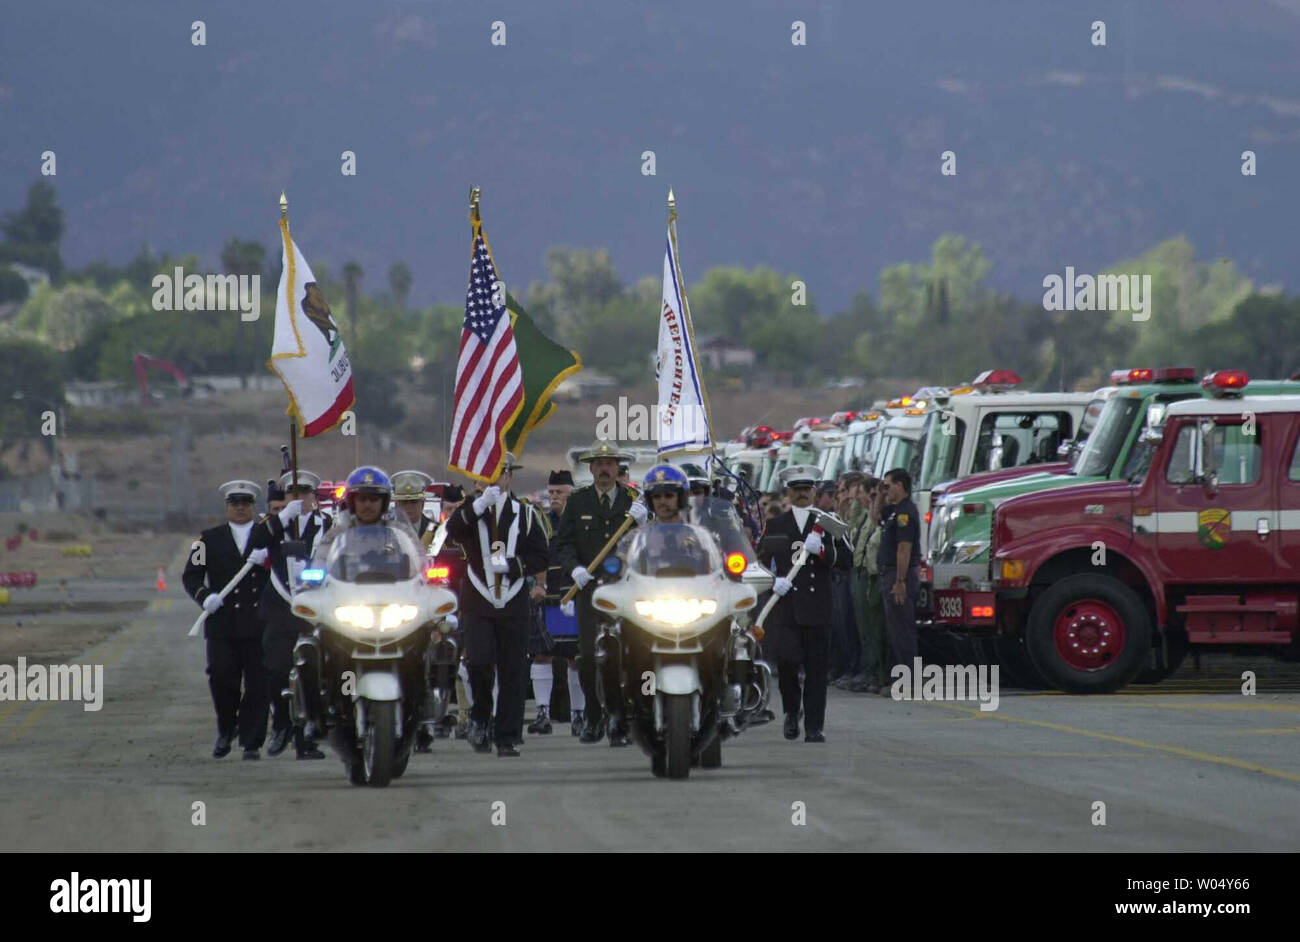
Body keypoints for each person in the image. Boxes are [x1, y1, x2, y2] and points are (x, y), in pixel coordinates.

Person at [445, 453, 549, 757]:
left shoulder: (526, 514)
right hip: (478, 599)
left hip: (514, 599)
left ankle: (507, 735)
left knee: (513, 670)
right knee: (477, 661)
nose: (493, 481)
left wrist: (514, 565)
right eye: (485, 476)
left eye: (499, 474)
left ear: (508, 477)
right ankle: (480, 719)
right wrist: (479, 505)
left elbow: (542, 556)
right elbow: (453, 532)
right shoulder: (469, 510)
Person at [553, 440, 649, 744]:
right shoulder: (578, 502)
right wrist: (575, 569)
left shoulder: (634, 503)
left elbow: (651, 544)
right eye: (599, 464)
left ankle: (622, 719)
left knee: (627, 657)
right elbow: (563, 543)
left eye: (611, 464)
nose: (605, 469)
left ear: (618, 468)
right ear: (591, 468)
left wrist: (646, 522)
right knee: (591, 657)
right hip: (590, 591)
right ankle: (594, 718)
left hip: (626, 591)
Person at [758, 465, 852, 744]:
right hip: (786, 606)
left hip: (817, 605)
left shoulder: (829, 522)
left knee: (816, 668)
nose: (801, 494)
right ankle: (791, 710)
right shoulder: (776, 525)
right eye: (796, 490)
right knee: (786, 664)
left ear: (813, 491)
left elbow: (847, 560)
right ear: (789, 492)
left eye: (806, 489)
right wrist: (773, 581)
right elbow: (761, 562)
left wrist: (822, 550)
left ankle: (814, 726)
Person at [182, 480, 272, 760]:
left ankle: (252, 741)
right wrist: (204, 596)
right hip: (223, 624)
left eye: (246, 504)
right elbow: (191, 575)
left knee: (259, 685)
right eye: (235, 504)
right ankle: (226, 728)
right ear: (227, 507)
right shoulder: (207, 539)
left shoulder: (267, 535)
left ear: (253, 506)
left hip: (259, 623)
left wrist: (271, 556)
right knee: (222, 679)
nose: (241, 508)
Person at [251, 469, 331, 759]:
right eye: (292, 495)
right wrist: (283, 518)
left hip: (315, 610)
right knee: (276, 670)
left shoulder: (328, 525)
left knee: (311, 673)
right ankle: (282, 725)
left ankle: (306, 737)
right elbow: (256, 541)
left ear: (313, 497)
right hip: (280, 607)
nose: (299, 499)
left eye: (304, 493)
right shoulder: (275, 524)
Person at [533, 470, 584, 736]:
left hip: (574, 594)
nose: (553, 497)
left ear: (570, 494)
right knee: (542, 655)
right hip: (549, 594)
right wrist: (537, 585)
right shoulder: (541, 521)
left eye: (558, 492)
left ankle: (579, 715)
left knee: (576, 658)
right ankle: (542, 712)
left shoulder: (581, 520)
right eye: (551, 492)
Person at [879, 468, 922, 679]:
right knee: (893, 629)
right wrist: (879, 493)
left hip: (899, 576)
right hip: (890, 574)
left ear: (900, 485)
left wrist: (900, 580)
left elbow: (904, 548)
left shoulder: (906, 512)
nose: (886, 490)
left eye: (888, 486)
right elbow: (875, 515)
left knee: (902, 629)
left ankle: (909, 678)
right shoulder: (894, 510)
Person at [848, 477, 890, 693]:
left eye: (867, 495)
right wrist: (854, 500)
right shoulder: (866, 518)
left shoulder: (884, 518)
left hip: (874, 575)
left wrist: (878, 498)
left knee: (877, 630)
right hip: (863, 574)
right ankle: (872, 673)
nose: (865, 499)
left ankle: (879, 674)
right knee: (865, 629)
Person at [392, 469, 437, 543]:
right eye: (404, 502)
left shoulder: (436, 531)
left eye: (414, 502)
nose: (409, 506)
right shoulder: (386, 531)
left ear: (423, 503)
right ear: (396, 504)